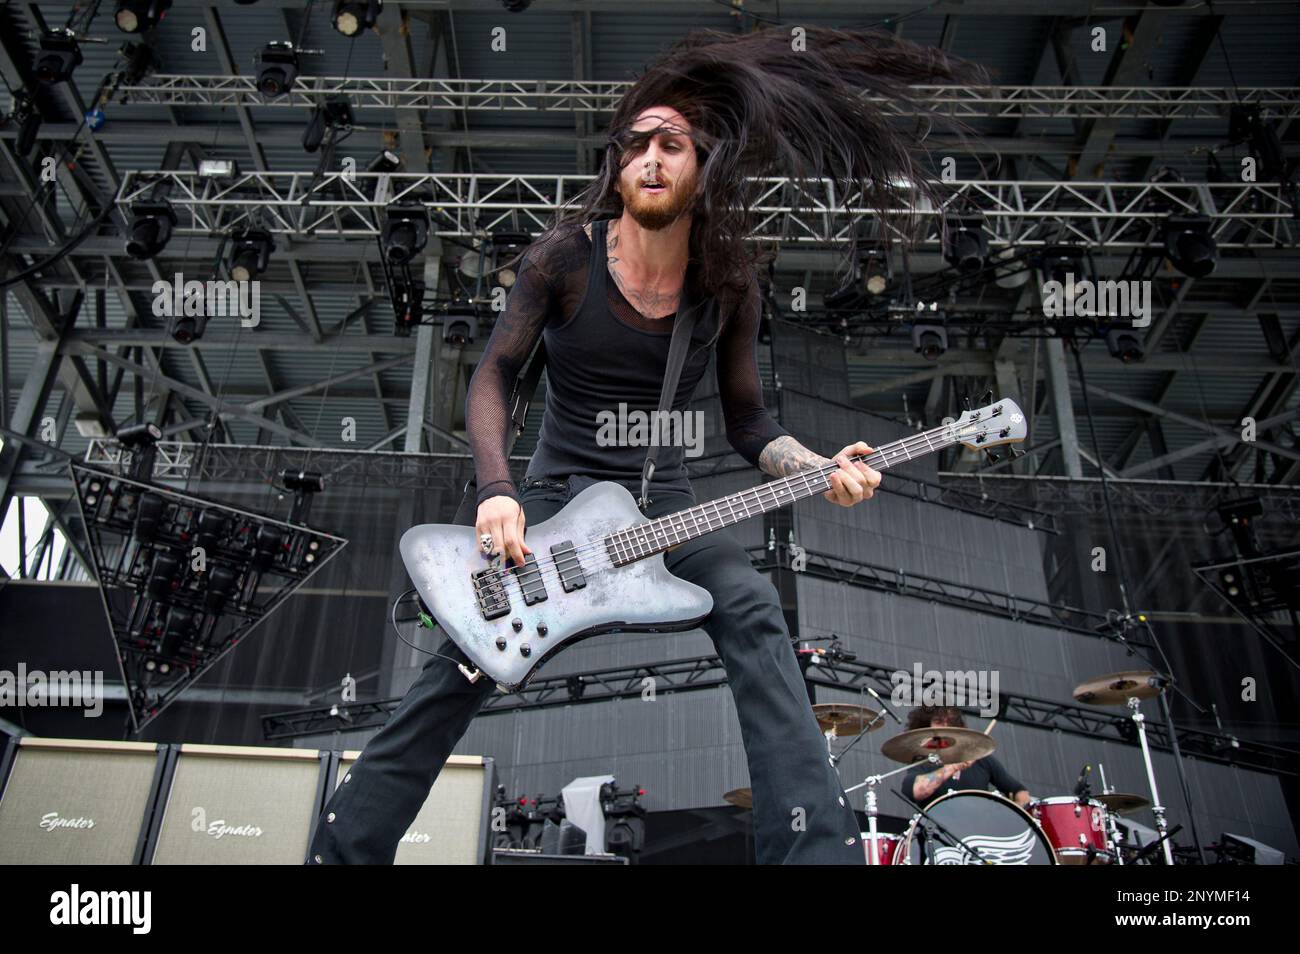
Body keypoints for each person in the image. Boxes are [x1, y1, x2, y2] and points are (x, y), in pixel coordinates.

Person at [308, 27, 980, 865]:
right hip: (554, 496)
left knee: (753, 609)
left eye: (673, 144)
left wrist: (820, 471)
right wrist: (496, 491)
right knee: (466, 658)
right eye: (636, 145)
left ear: (702, 166)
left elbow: (748, 424)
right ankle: (342, 853)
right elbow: (494, 377)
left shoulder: (728, 282)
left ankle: (814, 854)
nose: (652, 158)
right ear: (617, 166)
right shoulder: (563, 260)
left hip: (663, 507)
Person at [902, 706, 1032, 807]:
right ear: (925, 727)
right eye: (939, 721)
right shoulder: (923, 760)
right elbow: (917, 791)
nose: (946, 726)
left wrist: (1015, 814)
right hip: (937, 835)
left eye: (951, 722)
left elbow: (1020, 792)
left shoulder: (981, 759)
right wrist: (953, 767)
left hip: (980, 834)